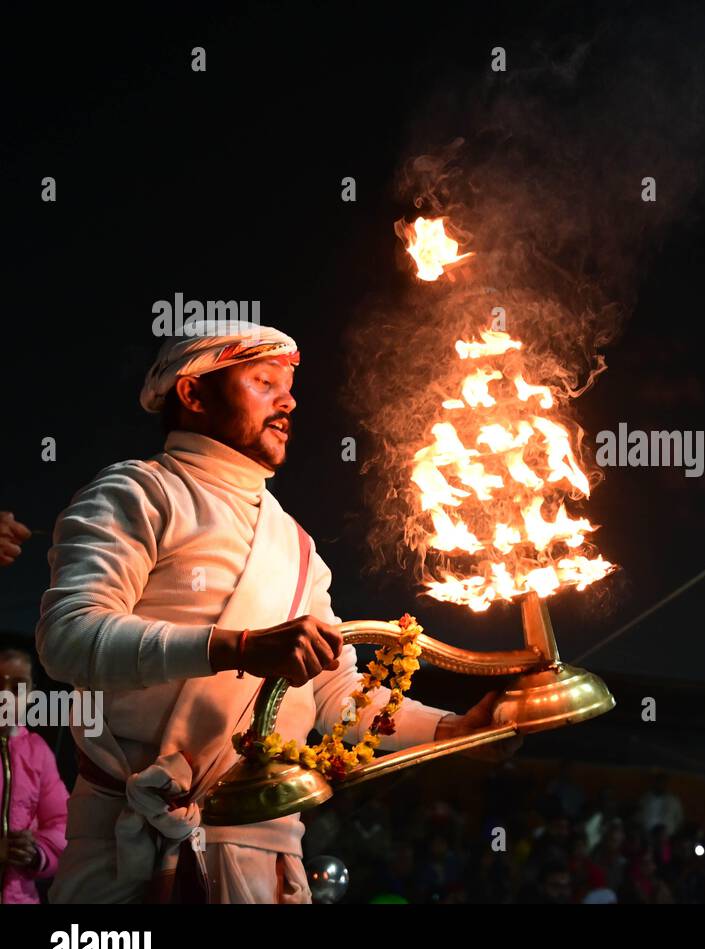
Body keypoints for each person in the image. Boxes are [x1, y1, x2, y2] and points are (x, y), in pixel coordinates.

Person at [36, 322, 519, 904]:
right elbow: (68, 637)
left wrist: (453, 731)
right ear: (192, 394)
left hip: (267, 858)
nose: (287, 401)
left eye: (288, 387)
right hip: (125, 855)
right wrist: (237, 647)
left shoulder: (296, 544)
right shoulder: (137, 492)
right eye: (264, 382)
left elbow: (336, 694)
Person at [0, 648, 69, 903]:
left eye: (17, 686)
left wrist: (36, 853)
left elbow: (63, 823)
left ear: (31, 695)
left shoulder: (37, 752)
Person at [637, 771, 684, 837]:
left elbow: (679, 819)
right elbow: (639, 815)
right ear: (654, 783)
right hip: (647, 834)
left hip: (667, 835)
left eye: (663, 783)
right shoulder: (646, 799)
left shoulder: (673, 800)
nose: (660, 785)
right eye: (658, 782)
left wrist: (674, 833)